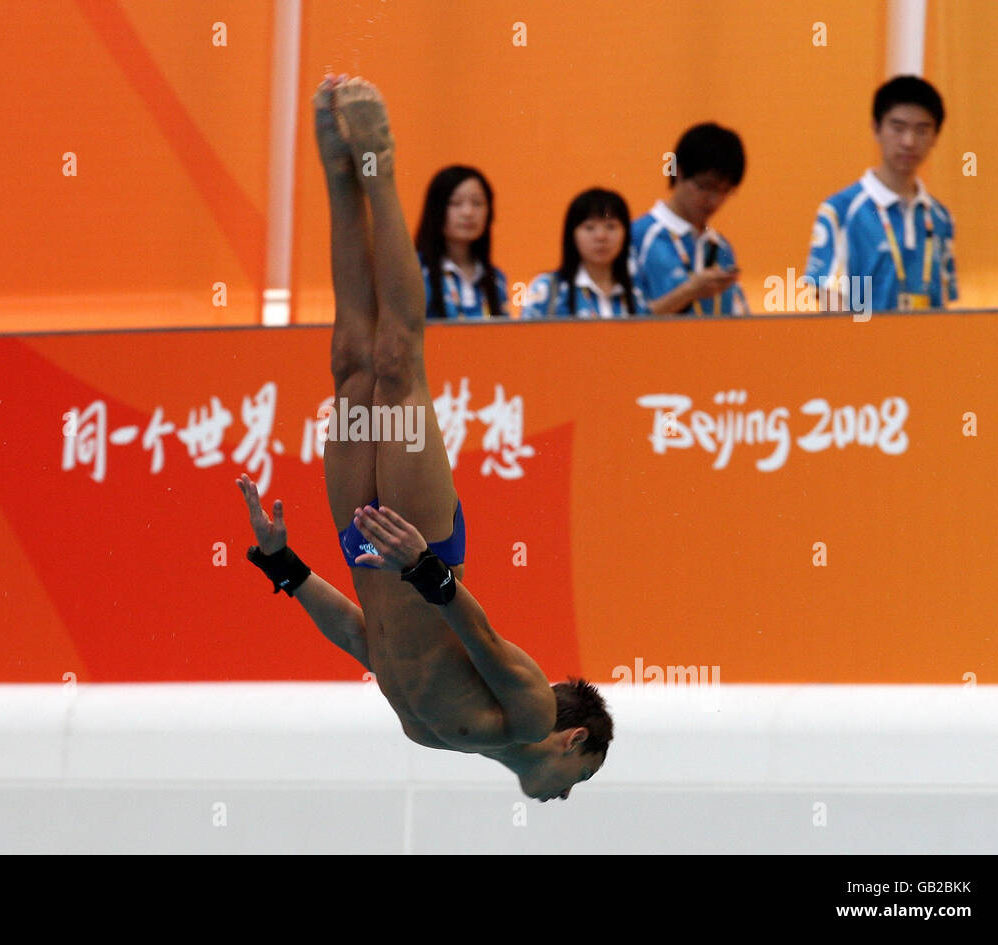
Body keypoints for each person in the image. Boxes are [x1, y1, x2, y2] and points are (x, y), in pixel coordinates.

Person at [236, 74, 612, 802]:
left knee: (350, 364)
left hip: (360, 547)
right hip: (423, 547)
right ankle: (378, 162)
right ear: (573, 738)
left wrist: (282, 564)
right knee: (396, 361)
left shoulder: (432, 731)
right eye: (578, 777)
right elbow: (484, 639)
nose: (563, 793)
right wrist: (424, 570)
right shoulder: (528, 709)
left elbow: (360, 637)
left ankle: (339, 172)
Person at [805, 75, 957, 313]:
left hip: (927, 348)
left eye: (922, 130)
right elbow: (829, 303)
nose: (909, 141)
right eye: (898, 128)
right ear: (876, 129)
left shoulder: (940, 218)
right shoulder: (840, 211)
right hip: (862, 348)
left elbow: (943, 302)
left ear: (936, 136)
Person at [633, 123, 748, 315]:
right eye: (704, 187)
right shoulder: (638, 237)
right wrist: (689, 292)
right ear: (677, 171)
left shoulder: (721, 247)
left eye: (725, 191)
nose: (714, 200)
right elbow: (621, 322)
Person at [522, 188, 649, 318]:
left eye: (611, 226)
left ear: (626, 233)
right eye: (589, 227)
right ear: (572, 234)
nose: (601, 236)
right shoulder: (548, 289)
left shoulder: (638, 292)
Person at [415, 165, 509, 319]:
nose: (468, 212)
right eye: (455, 203)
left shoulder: (496, 279)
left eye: (477, 203)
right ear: (435, 209)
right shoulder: (415, 272)